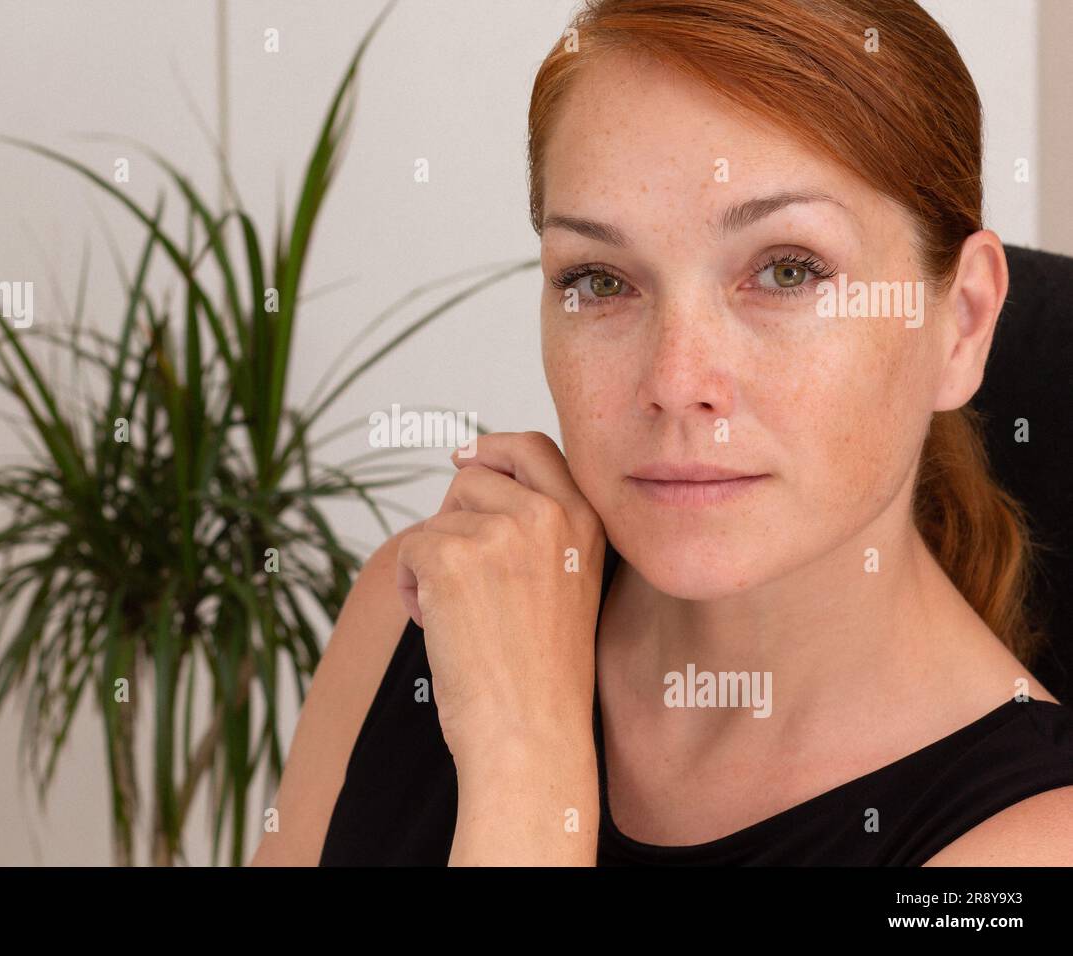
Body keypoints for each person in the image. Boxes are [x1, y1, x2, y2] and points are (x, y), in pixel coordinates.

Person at [250, 0, 1073, 866]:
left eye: (787, 270)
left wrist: (526, 765)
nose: (676, 384)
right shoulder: (426, 604)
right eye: (601, 280)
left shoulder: (1025, 853)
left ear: (964, 321)